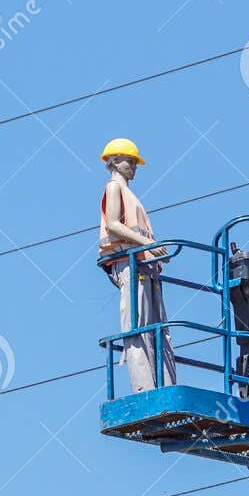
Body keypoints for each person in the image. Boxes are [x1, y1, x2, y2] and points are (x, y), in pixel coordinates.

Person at [98, 138, 176, 393]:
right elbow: (113, 224)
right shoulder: (113, 188)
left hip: (145, 266)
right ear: (113, 162)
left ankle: (165, 386)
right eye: (129, 161)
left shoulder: (131, 195)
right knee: (137, 327)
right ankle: (145, 389)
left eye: (135, 162)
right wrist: (147, 244)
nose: (134, 166)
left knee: (159, 330)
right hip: (129, 265)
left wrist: (153, 252)